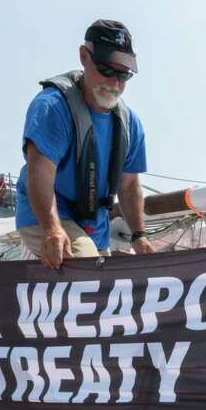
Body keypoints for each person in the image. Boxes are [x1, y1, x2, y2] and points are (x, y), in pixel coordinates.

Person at [15, 19, 154, 269]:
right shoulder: (52, 107)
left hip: (95, 227)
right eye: (106, 70)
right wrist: (52, 229)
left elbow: (130, 185)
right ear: (83, 56)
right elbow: (39, 173)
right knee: (90, 270)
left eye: (123, 74)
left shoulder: (130, 124)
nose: (114, 82)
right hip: (48, 216)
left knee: (107, 289)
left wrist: (139, 236)